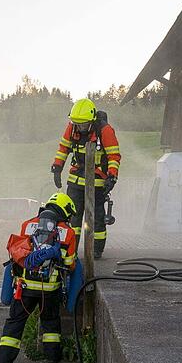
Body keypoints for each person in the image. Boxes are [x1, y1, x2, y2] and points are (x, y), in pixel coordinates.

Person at [0, 192, 78, 363]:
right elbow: (69, 264)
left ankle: (4, 360)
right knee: (50, 321)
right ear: (65, 210)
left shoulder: (27, 225)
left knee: (16, 322)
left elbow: (20, 254)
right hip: (50, 289)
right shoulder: (69, 233)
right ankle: (52, 357)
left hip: (23, 287)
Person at [50, 98, 121, 259]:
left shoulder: (105, 130)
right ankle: (71, 251)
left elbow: (114, 156)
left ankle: (97, 251)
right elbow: (63, 148)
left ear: (92, 120)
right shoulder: (73, 126)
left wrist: (112, 176)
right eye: (76, 123)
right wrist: (57, 168)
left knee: (96, 219)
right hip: (75, 181)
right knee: (73, 218)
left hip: (97, 183)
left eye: (82, 124)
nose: (79, 127)